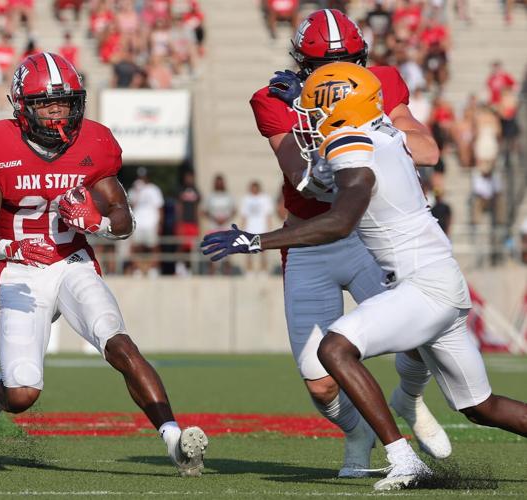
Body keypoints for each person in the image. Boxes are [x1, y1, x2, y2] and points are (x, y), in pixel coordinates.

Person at [204, 63, 527, 491]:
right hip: (438, 281)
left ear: (339, 107)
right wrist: (308, 98)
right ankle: (407, 419)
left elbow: (339, 220)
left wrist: (255, 240)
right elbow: (325, 180)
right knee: (481, 406)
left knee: (334, 349)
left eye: (317, 108)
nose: (310, 117)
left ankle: (403, 459)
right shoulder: (385, 134)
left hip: (424, 287)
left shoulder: (352, 143)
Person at [0, 52, 208, 476]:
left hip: (72, 260)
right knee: (23, 395)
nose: (58, 111)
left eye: (65, 101)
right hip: (21, 269)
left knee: (118, 341)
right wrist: (9, 249)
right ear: (22, 107)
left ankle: (173, 439)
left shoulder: (93, 142)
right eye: (45, 103)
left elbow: (122, 219)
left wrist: (98, 225)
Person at [247, 9, 448, 477]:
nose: (336, 73)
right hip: (311, 239)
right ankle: (358, 433)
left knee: (419, 338)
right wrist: (312, 113)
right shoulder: (273, 99)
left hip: (367, 235)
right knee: (319, 382)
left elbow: (428, 151)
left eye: (348, 62)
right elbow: (306, 180)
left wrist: (360, 113)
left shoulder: (380, 83)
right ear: (301, 64)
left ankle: (409, 399)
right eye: (320, 66)